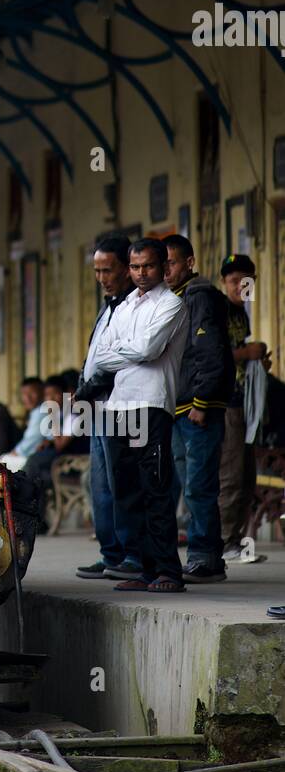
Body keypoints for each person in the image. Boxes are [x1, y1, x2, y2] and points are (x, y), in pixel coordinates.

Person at [87, 238, 189, 592]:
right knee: (126, 492)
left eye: (148, 266)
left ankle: (167, 571)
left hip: (151, 405)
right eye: (135, 267)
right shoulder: (126, 305)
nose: (141, 274)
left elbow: (148, 349)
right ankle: (143, 570)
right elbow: (100, 355)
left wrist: (125, 351)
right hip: (118, 405)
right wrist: (131, 353)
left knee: (155, 488)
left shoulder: (172, 305)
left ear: (163, 267)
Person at [164, 234, 236, 583]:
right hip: (179, 409)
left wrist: (203, 402)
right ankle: (199, 554)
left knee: (200, 486)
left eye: (171, 263)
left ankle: (206, 558)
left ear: (189, 263)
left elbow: (209, 352)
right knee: (189, 486)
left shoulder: (199, 296)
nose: (165, 271)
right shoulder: (174, 298)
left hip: (197, 408)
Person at [74, 233, 142, 581]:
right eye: (97, 271)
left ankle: (132, 554)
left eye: (108, 270)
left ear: (127, 269)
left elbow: (121, 361)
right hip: (97, 410)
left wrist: (87, 389)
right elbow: (96, 354)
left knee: (122, 485)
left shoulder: (135, 307)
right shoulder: (109, 304)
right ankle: (111, 553)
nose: (102, 277)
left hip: (119, 408)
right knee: (100, 486)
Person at [220, 254, 270, 560]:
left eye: (246, 280)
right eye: (233, 280)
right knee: (231, 474)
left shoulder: (241, 313)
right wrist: (246, 352)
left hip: (244, 401)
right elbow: (213, 356)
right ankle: (224, 541)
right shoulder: (219, 311)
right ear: (223, 282)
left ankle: (235, 540)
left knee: (246, 475)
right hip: (225, 402)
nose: (240, 286)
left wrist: (257, 360)